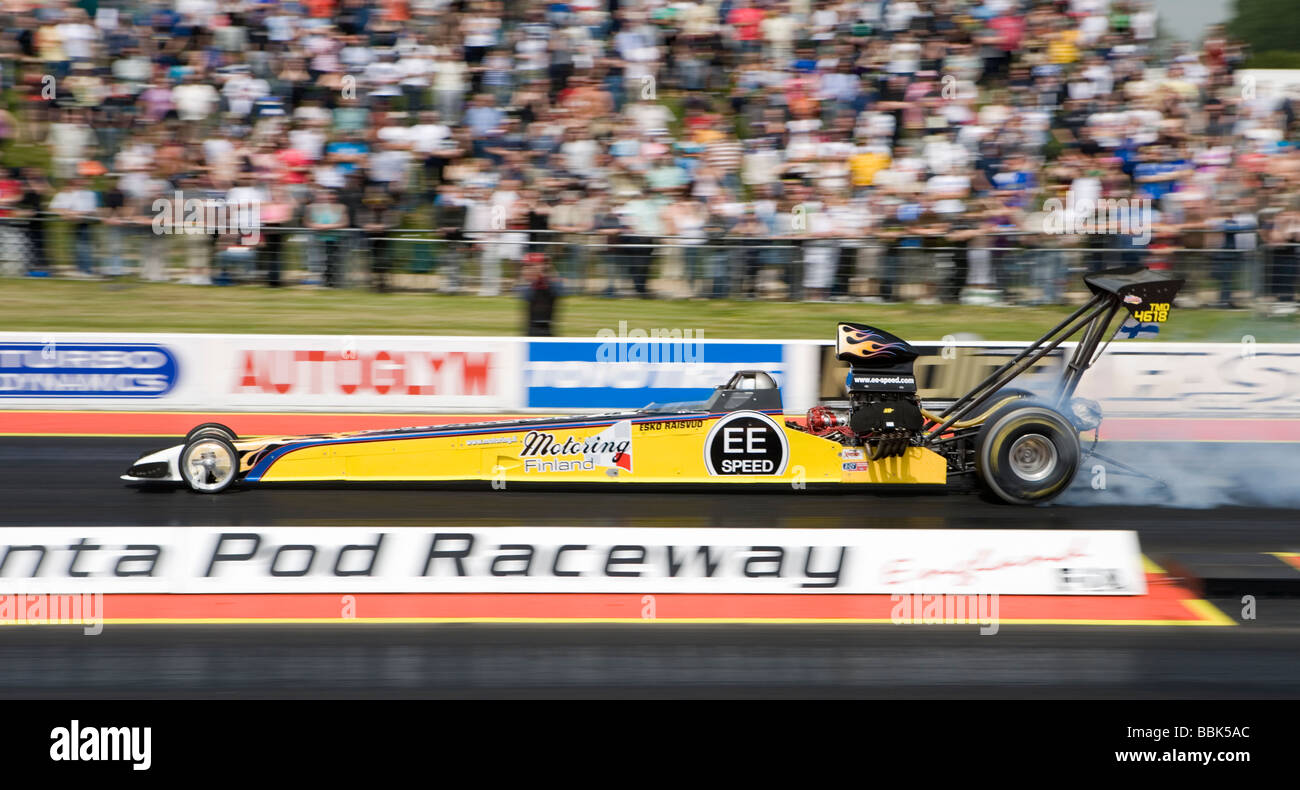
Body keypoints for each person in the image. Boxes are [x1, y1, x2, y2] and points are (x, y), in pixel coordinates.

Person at [519, 252, 560, 336]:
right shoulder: (529, 288)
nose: (524, 271)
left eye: (529, 266)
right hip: (532, 335)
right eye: (525, 267)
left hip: (542, 336)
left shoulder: (547, 287)